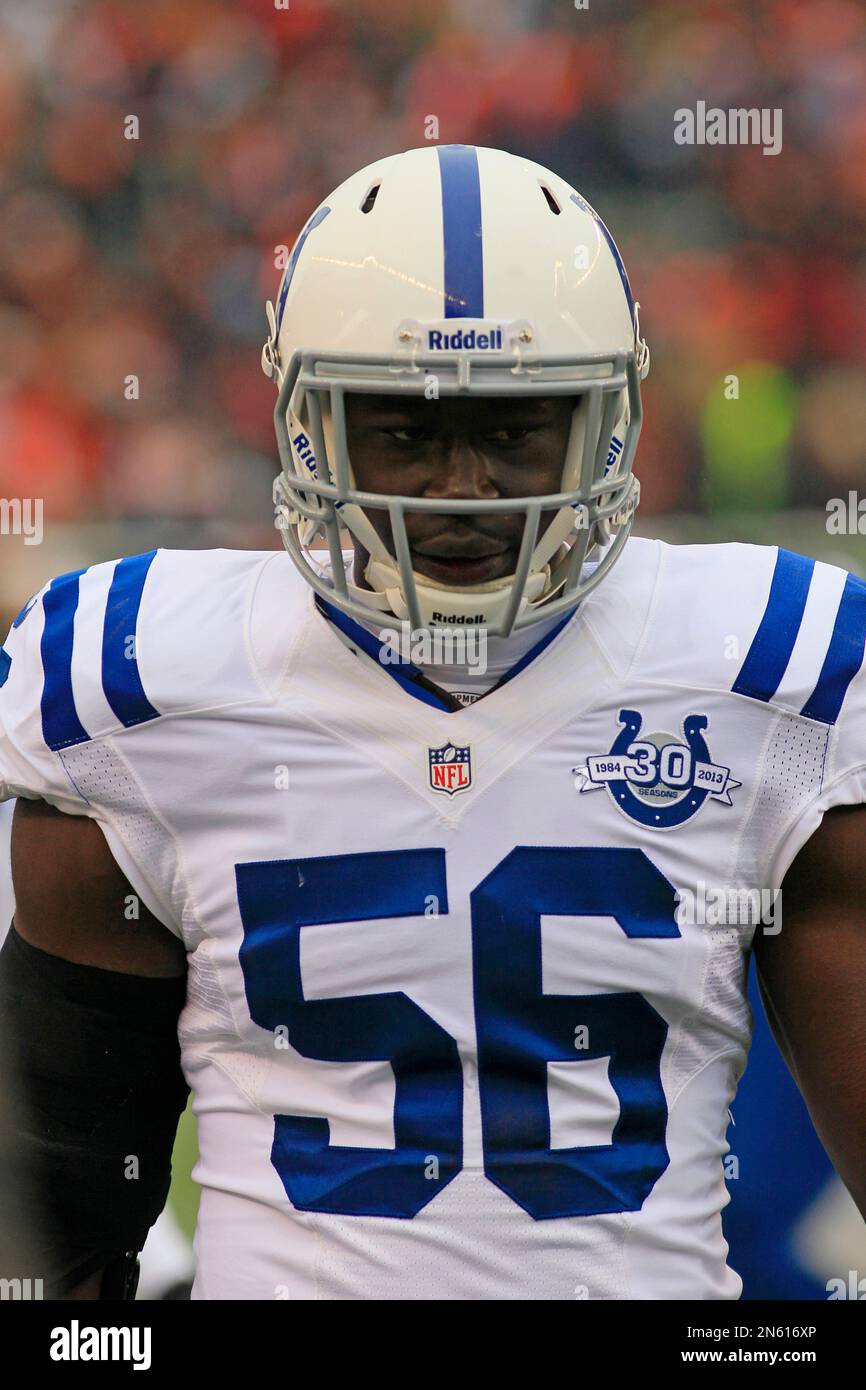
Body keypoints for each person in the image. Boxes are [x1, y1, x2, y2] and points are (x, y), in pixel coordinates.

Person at [0, 144, 864, 1301]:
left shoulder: (769, 669)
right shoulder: (134, 682)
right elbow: (55, 1237)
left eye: (515, 429)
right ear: (305, 419)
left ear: (606, 415)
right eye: (401, 428)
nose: (458, 489)